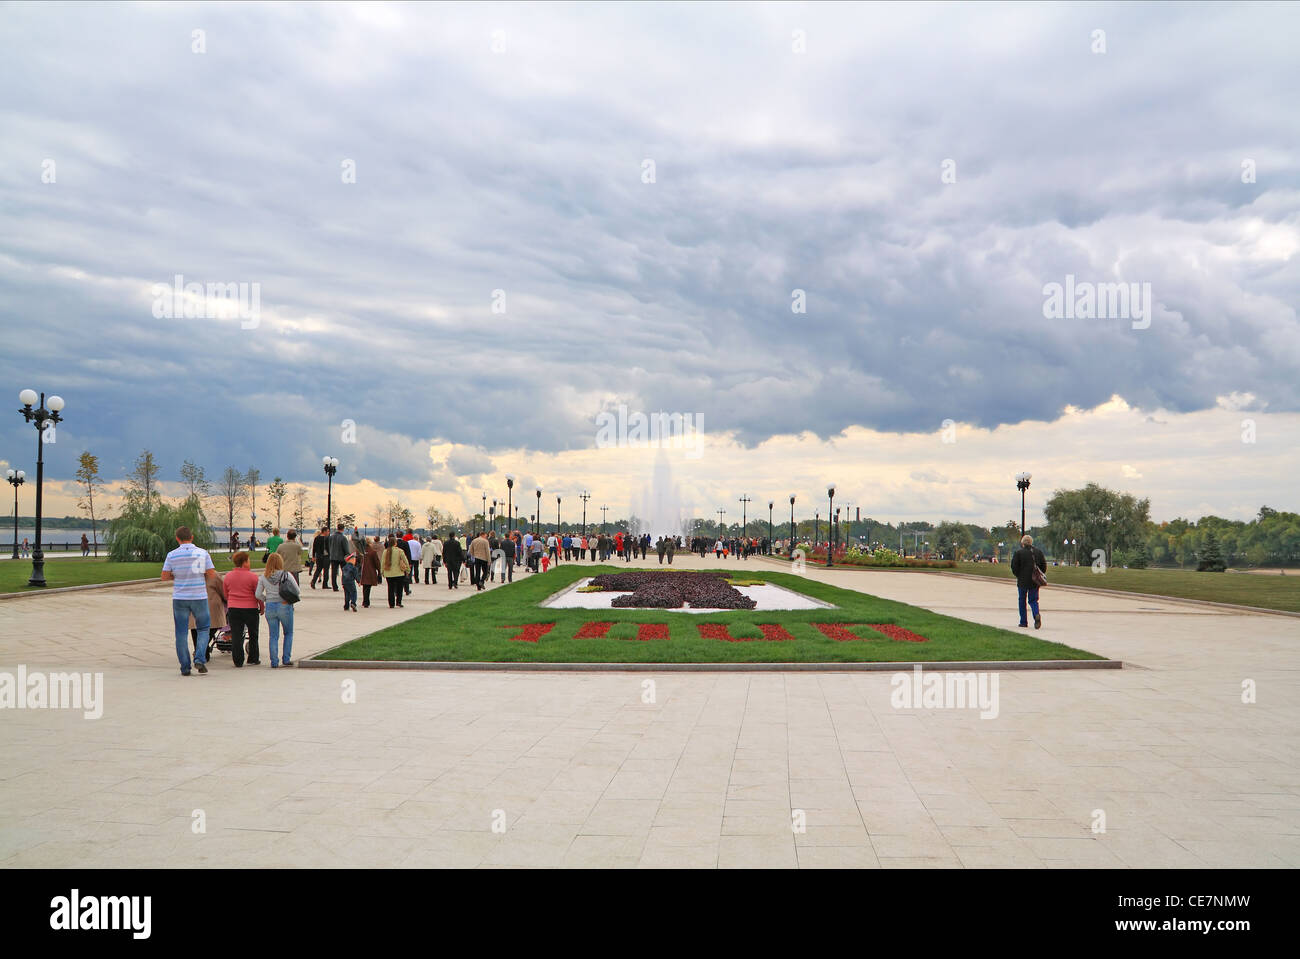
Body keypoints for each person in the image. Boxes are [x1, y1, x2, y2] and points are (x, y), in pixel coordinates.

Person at [160, 526, 219, 676]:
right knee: (204, 629)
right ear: (191, 537)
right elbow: (212, 574)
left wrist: (177, 576)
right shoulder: (202, 553)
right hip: (199, 596)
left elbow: (164, 576)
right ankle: (199, 657)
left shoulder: (172, 555)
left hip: (180, 597)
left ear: (177, 539)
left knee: (180, 633)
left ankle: (185, 667)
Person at [257, 552, 299, 665]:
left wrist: (266, 599)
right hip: (284, 604)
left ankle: (274, 661)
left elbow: (257, 594)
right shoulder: (286, 575)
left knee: (273, 635)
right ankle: (286, 659)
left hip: (270, 606)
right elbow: (297, 590)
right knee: (288, 633)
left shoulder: (263, 577)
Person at [222, 550, 262, 668]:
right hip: (250, 609)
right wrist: (262, 606)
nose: (249, 563)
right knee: (253, 634)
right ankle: (253, 658)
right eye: (248, 560)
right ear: (244, 562)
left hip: (234, 608)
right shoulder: (253, 577)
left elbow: (226, 594)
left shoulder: (228, 576)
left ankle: (238, 660)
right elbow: (258, 594)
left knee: (236, 634)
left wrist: (232, 602)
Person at [189, 567, 227, 661]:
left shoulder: (190, 575)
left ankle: (200, 652)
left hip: (194, 604)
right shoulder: (214, 575)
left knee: (195, 629)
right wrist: (225, 599)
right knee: (210, 628)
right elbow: (222, 590)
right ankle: (201, 652)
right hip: (210, 605)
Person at [1011, 534, 1047, 629]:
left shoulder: (1018, 553)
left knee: (1022, 600)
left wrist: (1018, 575)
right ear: (1031, 542)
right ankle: (1036, 614)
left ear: (1023, 543)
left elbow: (1014, 567)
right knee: (1033, 600)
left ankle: (1023, 622)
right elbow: (1043, 567)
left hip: (1022, 580)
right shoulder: (1038, 552)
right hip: (1035, 580)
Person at [381, 535, 409, 607]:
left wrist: (382, 571)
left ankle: (391, 603)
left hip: (389, 573)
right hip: (399, 573)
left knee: (390, 588)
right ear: (395, 543)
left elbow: (383, 562)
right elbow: (405, 561)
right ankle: (398, 602)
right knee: (399, 588)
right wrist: (408, 569)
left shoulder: (385, 551)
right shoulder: (400, 551)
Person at [360, 536, 382, 607]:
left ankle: (365, 600)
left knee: (365, 586)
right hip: (370, 570)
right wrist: (379, 570)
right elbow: (376, 562)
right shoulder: (372, 552)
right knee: (368, 587)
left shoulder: (360, 551)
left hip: (362, 570)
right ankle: (366, 601)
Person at [328, 522, 350, 591]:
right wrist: (348, 556)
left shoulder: (331, 537)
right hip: (341, 558)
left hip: (333, 557)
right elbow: (346, 549)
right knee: (344, 572)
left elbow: (329, 546)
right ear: (343, 529)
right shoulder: (343, 538)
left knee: (333, 572)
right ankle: (345, 585)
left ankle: (334, 586)